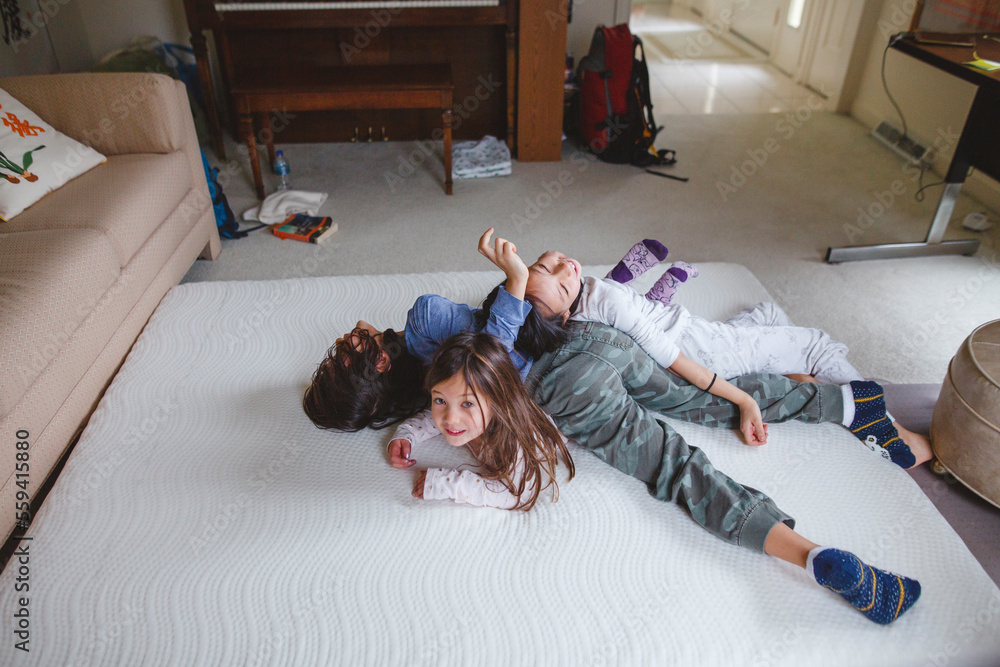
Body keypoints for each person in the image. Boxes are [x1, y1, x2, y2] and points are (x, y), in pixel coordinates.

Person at [523, 319, 921, 625]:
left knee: (675, 467)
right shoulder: (577, 303)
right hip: (596, 336)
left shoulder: (479, 350)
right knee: (700, 397)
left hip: (562, 378)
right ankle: (846, 403)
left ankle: (811, 555)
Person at [522, 245, 932, 468]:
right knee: (816, 344)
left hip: (692, 329)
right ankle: (880, 420)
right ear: (560, 315)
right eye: (558, 282)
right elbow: (673, 359)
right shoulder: (608, 302)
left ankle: (796, 371)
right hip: (699, 347)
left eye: (547, 262)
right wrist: (742, 398)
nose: (565, 266)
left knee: (767, 314)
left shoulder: (579, 305)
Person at [303, 228, 543, 431]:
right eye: (342, 355)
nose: (338, 341)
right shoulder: (424, 318)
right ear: (380, 361)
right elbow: (492, 354)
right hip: (546, 350)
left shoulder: (433, 390)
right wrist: (516, 278)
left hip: (537, 389)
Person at [390, 331, 574, 510]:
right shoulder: (466, 415)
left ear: (496, 404)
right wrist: (407, 435)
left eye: (467, 403)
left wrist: (446, 483)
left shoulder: (513, 440)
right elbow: (432, 417)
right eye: (440, 400)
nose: (450, 418)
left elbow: (517, 494)